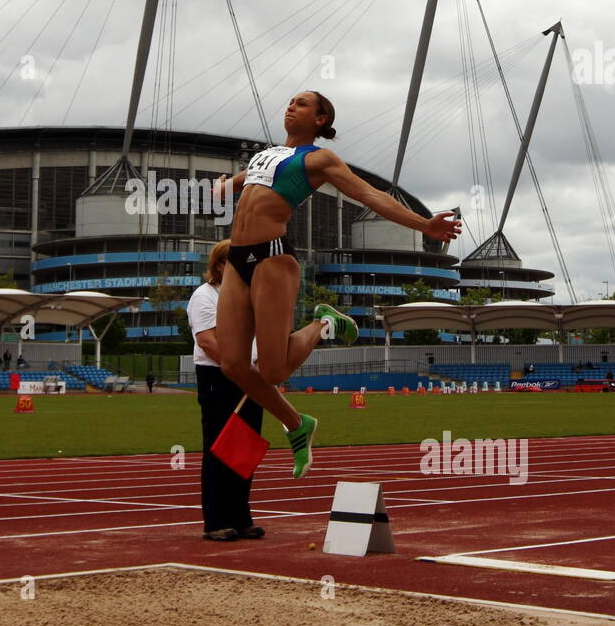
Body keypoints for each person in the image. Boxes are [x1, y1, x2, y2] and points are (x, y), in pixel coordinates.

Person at [213, 91, 461, 478]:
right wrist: (225, 186)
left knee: (273, 372)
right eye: (290, 101)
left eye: (301, 103)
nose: (290, 105)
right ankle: (298, 424)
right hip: (237, 260)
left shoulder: (320, 159)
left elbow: (369, 194)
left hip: (272, 258)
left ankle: (323, 324)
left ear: (320, 118)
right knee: (232, 364)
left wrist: (423, 225)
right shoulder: (265, 155)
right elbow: (246, 180)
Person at [188, 240, 265, 541]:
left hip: (249, 377)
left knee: (244, 447)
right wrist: (238, 368)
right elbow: (207, 341)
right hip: (217, 376)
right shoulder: (204, 296)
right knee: (219, 448)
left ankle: (241, 516)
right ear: (219, 265)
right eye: (238, 263)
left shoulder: (248, 296)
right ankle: (216, 520)